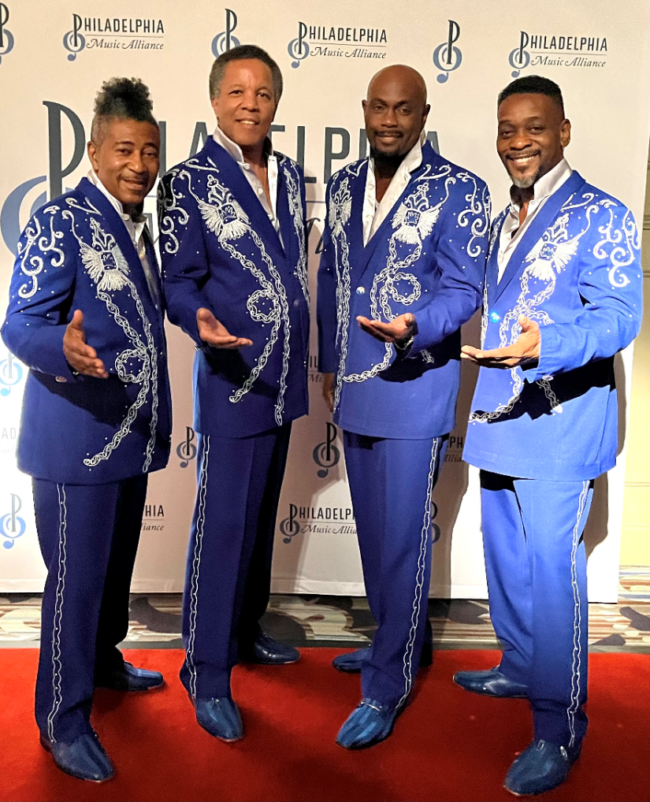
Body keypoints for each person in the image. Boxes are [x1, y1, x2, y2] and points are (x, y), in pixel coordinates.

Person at [458, 75, 642, 796]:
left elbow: (620, 316)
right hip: (501, 415)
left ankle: (558, 725)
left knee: (551, 573)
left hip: (561, 424)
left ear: (564, 131)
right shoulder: (504, 217)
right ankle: (517, 665)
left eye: (533, 127)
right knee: (504, 557)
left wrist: (548, 344)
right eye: (507, 129)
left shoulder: (604, 214)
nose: (518, 142)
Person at [1, 78, 171, 782]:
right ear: (95, 151)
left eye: (150, 150)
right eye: (124, 149)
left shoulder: (139, 226)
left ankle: (101, 665)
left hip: (128, 437)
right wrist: (60, 353)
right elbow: (19, 321)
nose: (139, 163)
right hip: (74, 441)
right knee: (74, 582)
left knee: (112, 575)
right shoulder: (58, 221)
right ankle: (61, 720)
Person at [317, 65, 490, 748]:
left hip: (417, 385)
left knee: (403, 539)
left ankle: (385, 686)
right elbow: (332, 273)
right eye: (380, 109)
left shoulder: (461, 190)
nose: (390, 122)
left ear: (423, 115)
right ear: (365, 110)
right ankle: (399, 641)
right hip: (355, 387)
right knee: (374, 534)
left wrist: (418, 323)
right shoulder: (340, 185)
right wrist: (329, 362)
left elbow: (463, 289)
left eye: (404, 111)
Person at [158, 45, 309, 742]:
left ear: (276, 103)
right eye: (238, 92)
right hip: (230, 379)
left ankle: (244, 633)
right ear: (215, 101)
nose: (252, 104)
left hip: (282, 382)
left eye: (264, 93)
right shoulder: (187, 181)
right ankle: (205, 669)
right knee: (221, 529)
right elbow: (178, 281)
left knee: (255, 521)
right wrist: (199, 321)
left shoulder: (289, 173)